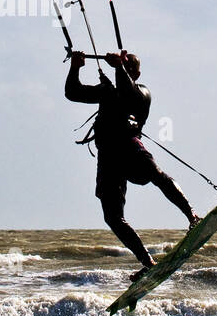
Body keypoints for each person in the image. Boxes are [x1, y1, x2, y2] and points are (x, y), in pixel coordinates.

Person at [65, 50, 199, 279]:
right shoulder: (107, 91)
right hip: (108, 157)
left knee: (156, 175)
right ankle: (148, 262)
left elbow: (129, 94)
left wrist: (119, 67)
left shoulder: (142, 93)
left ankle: (192, 217)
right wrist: (76, 66)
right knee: (112, 216)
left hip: (129, 147)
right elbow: (72, 93)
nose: (125, 71)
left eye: (129, 69)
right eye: (123, 68)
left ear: (137, 73)